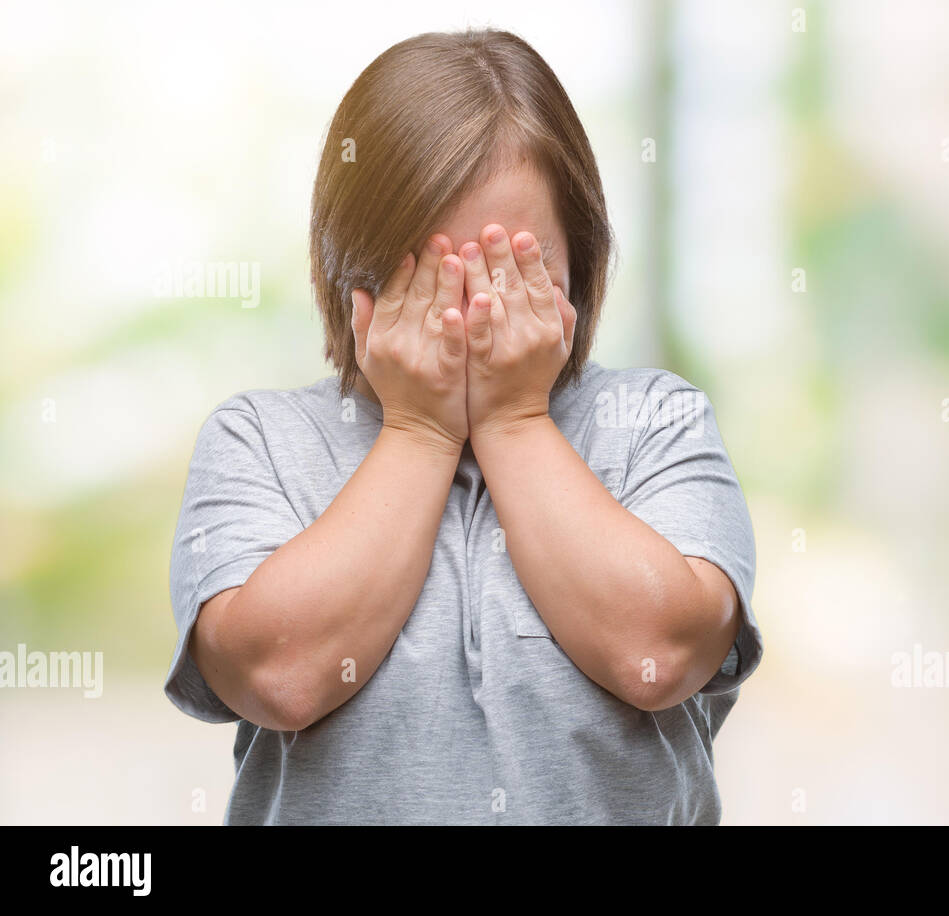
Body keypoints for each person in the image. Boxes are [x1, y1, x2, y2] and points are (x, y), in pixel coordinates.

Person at [165, 28, 760, 825]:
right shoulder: (258, 441)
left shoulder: (655, 421)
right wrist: (418, 431)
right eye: (429, 280)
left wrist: (515, 423)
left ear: (580, 266)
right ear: (341, 272)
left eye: (512, 274)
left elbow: (656, 657)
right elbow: (278, 677)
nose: (473, 312)